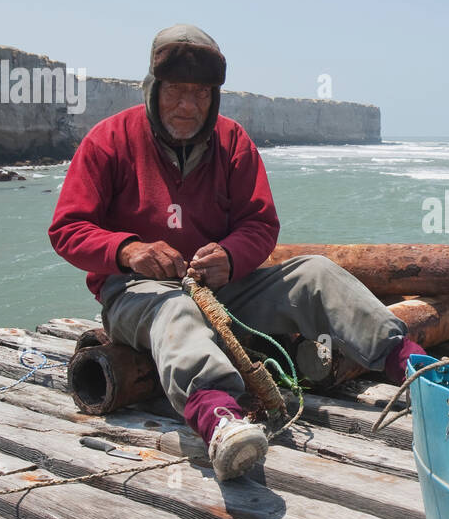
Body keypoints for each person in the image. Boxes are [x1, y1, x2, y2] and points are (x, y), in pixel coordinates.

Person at [49, 24, 425, 481]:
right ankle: (219, 419)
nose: (188, 105)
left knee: (316, 273)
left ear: (215, 97)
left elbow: (261, 224)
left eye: (202, 93)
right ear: (152, 88)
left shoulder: (233, 142)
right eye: (176, 91)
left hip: (223, 291)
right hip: (138, 296)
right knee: (174, 308)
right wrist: (128, 250)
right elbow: (68, 229)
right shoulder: (109, 140)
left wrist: (231, 256)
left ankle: (411, 365)